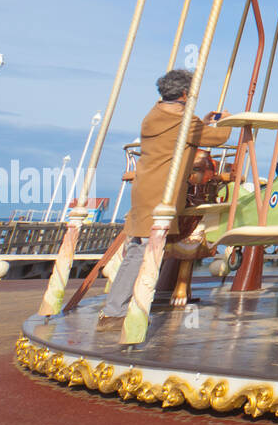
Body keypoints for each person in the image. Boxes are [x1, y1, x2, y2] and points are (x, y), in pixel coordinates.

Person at [97, 70, 232, 325]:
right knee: (144, 253)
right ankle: (118, 311)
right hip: (163, 193)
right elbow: (219, 137)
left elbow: (186, 133)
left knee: (137, 249)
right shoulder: (183, 122)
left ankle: (117, 307)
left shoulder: (154, 114)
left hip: (144, 188)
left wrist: (201, 122)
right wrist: (228, 120)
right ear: (185, 93)